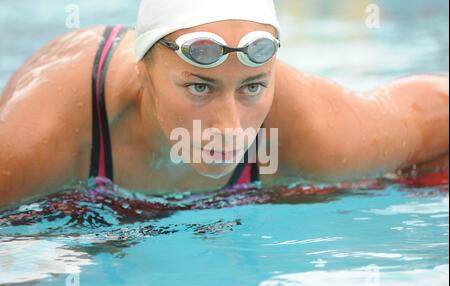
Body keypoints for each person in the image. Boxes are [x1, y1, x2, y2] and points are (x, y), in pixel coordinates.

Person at [0, 0, 448, 210]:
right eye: (199, 88)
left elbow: (434, 112)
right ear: (142, 71)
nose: (232, 129)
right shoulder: (43, 135)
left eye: (252, 87)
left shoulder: (311, 130)